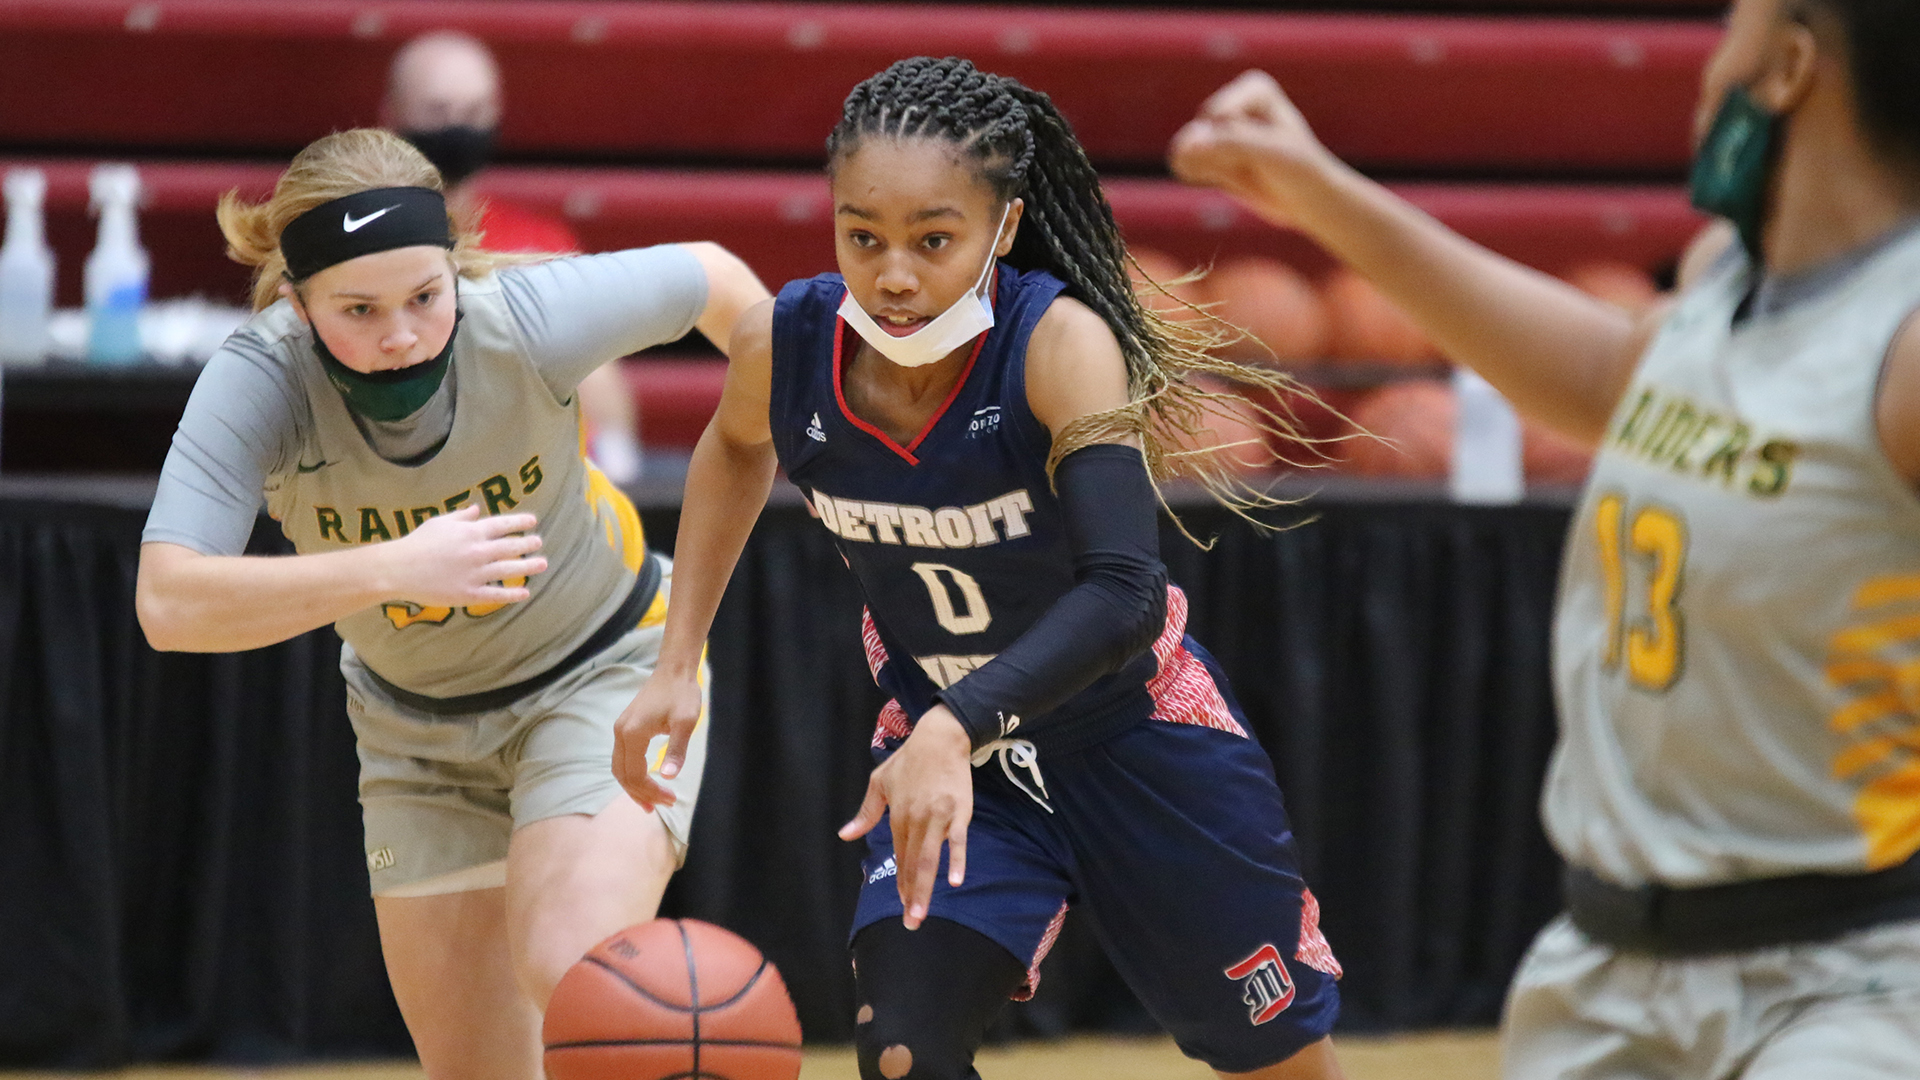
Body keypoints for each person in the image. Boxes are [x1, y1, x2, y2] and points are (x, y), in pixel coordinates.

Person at [1170, 0, 1920, 1076]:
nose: (1708, 70)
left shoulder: (1903, 337)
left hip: (1850, 974)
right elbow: (1603, 371)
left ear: (1790, 66)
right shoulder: (1724, 276)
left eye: (1732, 31)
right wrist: (1318, 191)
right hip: (1610, 969)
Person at [615, 57, 1347, 1080]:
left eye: (933, 240)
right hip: (959, 757)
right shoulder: (784, 345)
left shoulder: (1058, 344)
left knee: (1276, 1061)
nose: (894, 275)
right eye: (862, 237)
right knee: (902, 1052)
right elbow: (736, 447)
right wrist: (674, 658)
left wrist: (954, 725)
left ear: (1003, 229)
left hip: (1137, 740)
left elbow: (1127, 594)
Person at [133, 128, 769, 1080]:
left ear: (456, 266)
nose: (399, 334)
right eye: (359, 308)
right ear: (299, 303)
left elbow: (717, 279)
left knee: (578, 974)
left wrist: (811, 427)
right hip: (415, 734)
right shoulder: (260, 380)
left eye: (425, 297)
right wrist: (394, 567)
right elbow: (168, 602)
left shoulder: (526, 317)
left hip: (601, 672)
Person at [381, 29, 645, 484]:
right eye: (438, 111)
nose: (457, 127)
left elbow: (600, 375)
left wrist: (617, 466)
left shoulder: (537, 242)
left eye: (474, 113)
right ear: (393, 115)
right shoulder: (362, 245)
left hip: (554, 476)